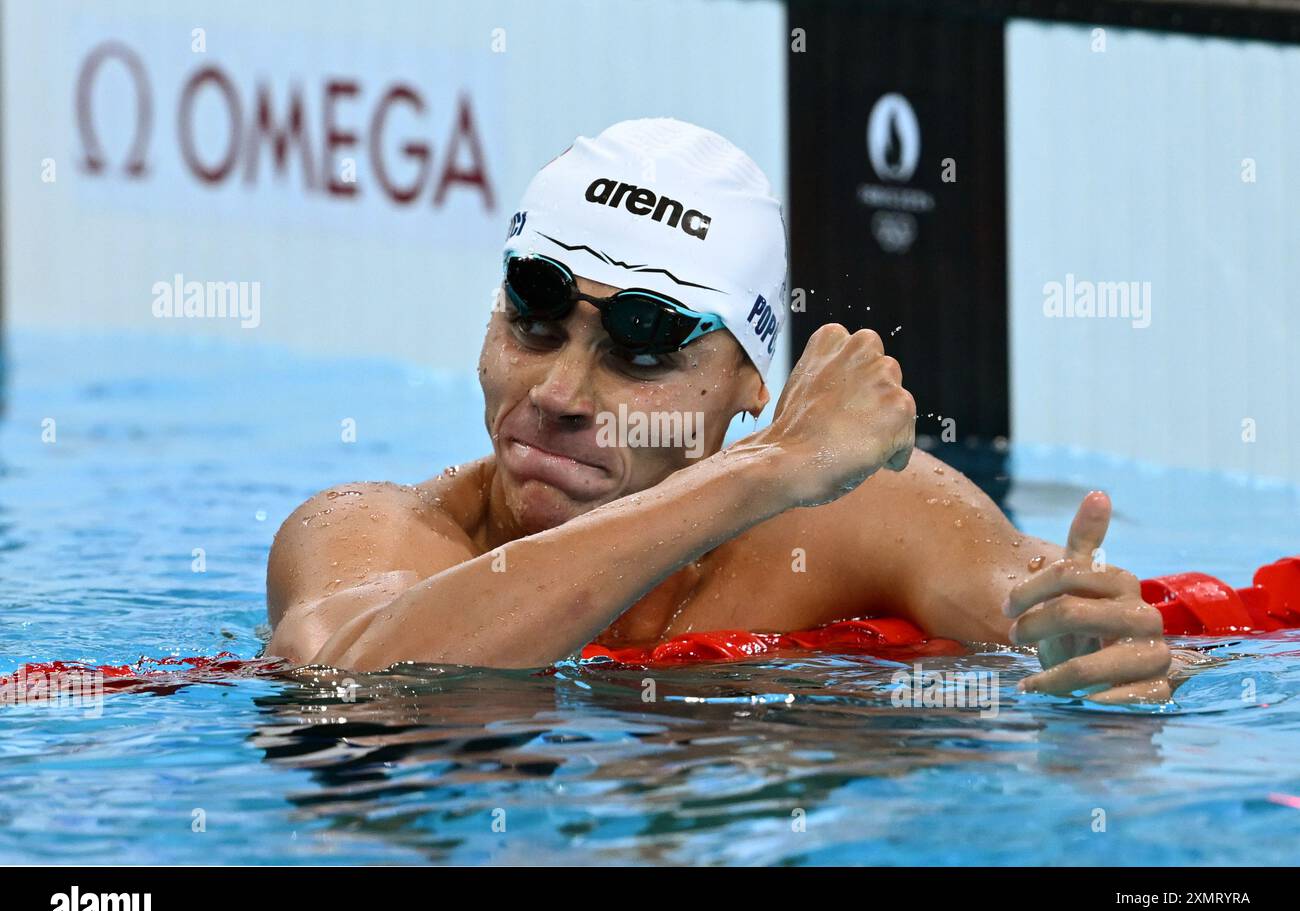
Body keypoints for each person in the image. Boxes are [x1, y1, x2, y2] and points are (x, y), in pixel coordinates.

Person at [265, 118, 1170, 702]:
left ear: (750, 385)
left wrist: (1103, 649)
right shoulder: (373, 532)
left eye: (643, 348)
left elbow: (1062, 623)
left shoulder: (862, 518)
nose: (559, 396)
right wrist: (766, 470)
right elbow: (357, 689)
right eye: (536, 321)